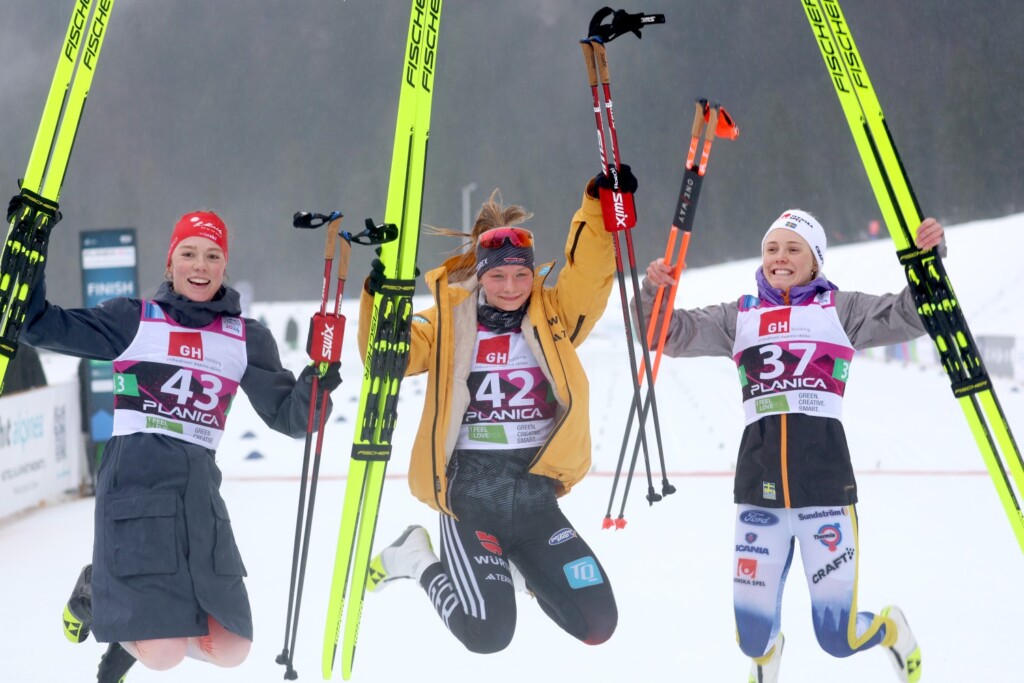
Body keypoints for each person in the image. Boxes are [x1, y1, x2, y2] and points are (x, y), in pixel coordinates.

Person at [18, 210, 341, 682]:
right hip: (134, 490)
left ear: (223, 266)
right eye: (188, 253)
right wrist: (32, 250)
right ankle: (97, 592)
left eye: (212, 256)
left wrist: (319, 380)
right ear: (170, 263)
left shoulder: (244, 338)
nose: (200, 265)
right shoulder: (133, 320)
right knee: (164, 651)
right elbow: (38, 325)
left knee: (231, 646)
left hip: (197, 500)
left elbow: (291, 418)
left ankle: (127, 610)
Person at [636, 210, 939, 683]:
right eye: (772, 248)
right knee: (752, 640)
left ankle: (891, 629)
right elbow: (664, 335)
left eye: (793, 248)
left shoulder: (840, 311)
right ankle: (770, 651)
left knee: (839, 639)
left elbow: (911, 314)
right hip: (759, 494)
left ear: (815, 261)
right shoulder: (741, 316)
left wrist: (929, 262)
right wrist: (654, 291)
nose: (780, 258)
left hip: (825, 490)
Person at [359, 170, 632, 654]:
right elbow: (388, 359)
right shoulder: (447, 321)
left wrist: (599, 205)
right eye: (498, 275)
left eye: (522, 274)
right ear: (480, 274)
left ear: (533, 273)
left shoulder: (553, 318)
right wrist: (380, 300)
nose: (511, 286)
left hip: (534, 494)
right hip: (470, 496)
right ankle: (416, 558)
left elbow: (588, 276)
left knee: (597, 622)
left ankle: (515, 567)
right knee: (488, 634)